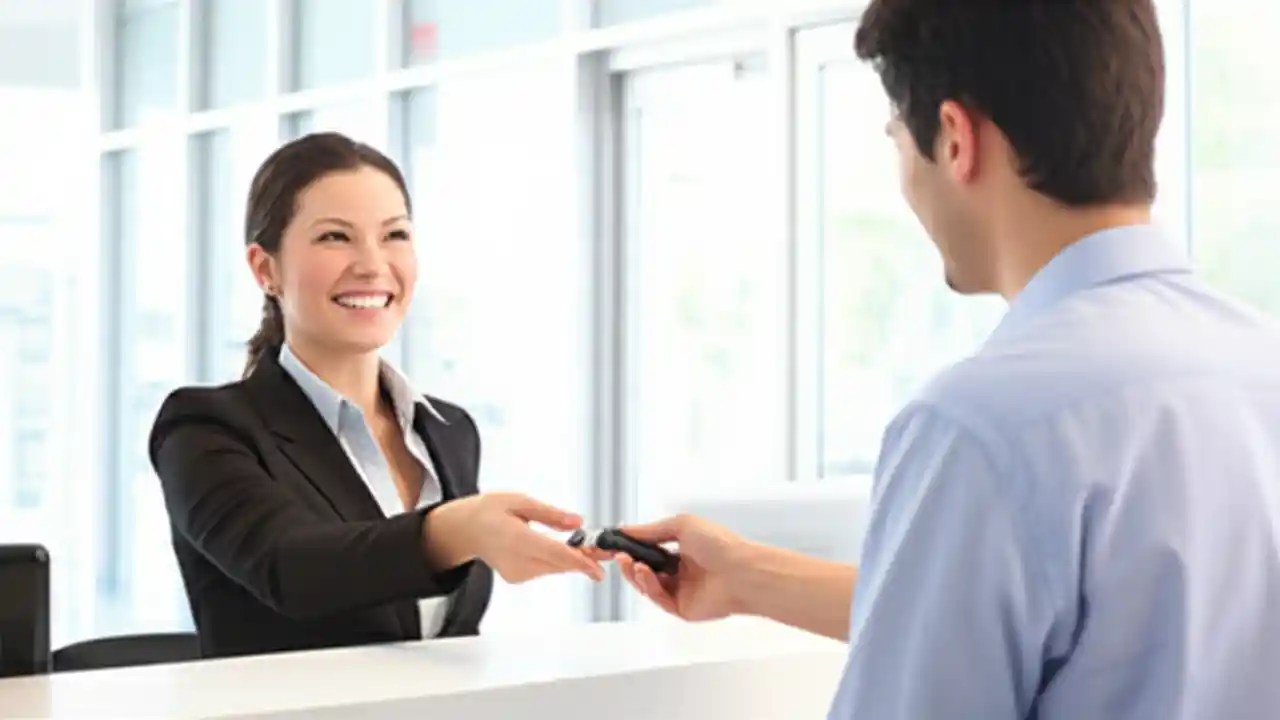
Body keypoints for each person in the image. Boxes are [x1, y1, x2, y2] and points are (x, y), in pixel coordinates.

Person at [612, 2, 1280, 717]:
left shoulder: (981, 428)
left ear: (956, 139)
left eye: (899, 137)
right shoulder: (1259, 365)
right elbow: (1100, 628)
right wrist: (753, 577)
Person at [149, 132, 603, 659]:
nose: (372, 264)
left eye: (394, 235)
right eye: (335, 237)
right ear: (265, 269)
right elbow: (291, 569)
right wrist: (453, 531)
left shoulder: (448, 431)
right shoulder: (204, 428)